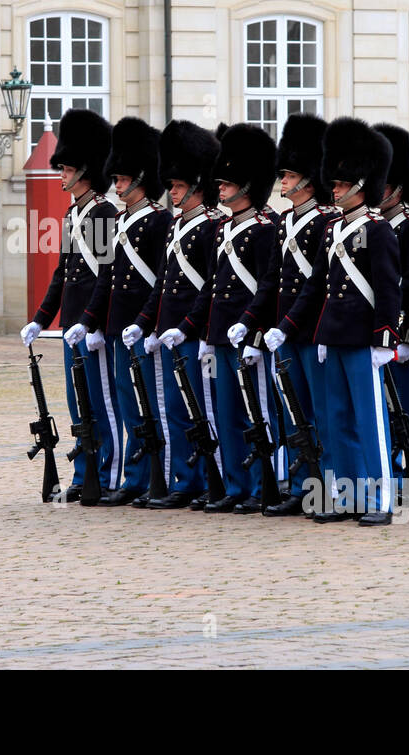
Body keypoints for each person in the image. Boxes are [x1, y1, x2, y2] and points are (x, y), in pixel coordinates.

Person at [270, 117, 401, 525]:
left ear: (361, 185)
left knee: (370, 420)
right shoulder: (332, 229)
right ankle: (346, 496)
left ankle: (382, 498)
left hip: (364, 338)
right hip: (334, 336)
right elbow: (319, 285)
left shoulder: (377, 229)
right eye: (336, 184)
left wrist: (385, 338)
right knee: (337, 420)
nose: (336, 189)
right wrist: (303, 329)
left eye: (343, 185)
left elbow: (388, 288)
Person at [165, 123, 276, 514]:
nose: (222, 186)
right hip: (217, 334)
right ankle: (235, 484)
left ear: (248, 185)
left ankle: (265, 484)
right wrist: (189, 328)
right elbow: (212, 286)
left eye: (230, 181)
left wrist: (249, 325)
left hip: (247, 335)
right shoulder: (224, 228)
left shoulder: (264, 229)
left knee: (256, 415)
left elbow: (267, 286)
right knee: (224, 414)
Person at [20, 108, 122, 503]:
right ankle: (85, 472)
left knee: (99, 401)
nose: (61, 174)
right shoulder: (73, 214)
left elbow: (104, 277)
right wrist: (41, 319)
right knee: (78, 404)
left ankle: (108, 472)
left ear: (85, 171)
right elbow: (63, 275)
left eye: (66, 168)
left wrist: (91, 322)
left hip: (90, 326)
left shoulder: (100, 214)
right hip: (72, 325)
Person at [245, 114, 340, 517]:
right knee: (291, 412)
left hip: (311, 329)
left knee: (320, 412)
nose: (281, 182)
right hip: (284, 331)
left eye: (288, 176)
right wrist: (254, 322)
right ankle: (302, 487)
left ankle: (327, 489)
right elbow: (271, 280)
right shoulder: (285, 222)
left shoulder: (326, 221)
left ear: (306, 180)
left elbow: (322, 283)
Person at [126, 120, 223, 509]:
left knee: (205, 410)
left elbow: (211, 287)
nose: (173, 193)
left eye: (180, 187)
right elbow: (163, 285)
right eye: (172, 186)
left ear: (198, 185)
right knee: (176, 411)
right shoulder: (177, 227)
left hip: (194, 334)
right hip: (170, 332)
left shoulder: (212, 227)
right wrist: (145, 324)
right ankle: (186, 478)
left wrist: (188, 328)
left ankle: (210, 480)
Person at [81, 117, 173, 506]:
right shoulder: (117, 222)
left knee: (152, 404)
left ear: (139, 180)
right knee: (124, 401)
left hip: (143, 326)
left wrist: (148, 325)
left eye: (122, 180)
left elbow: (163, 280)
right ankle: (133, 475)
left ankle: (159, 474)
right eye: (115, 180)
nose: (117, 187)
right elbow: (106, 277)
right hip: (120, 325)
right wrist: (91, 320)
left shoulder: (158, 220)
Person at [374, 122, 409, 496]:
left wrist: (403, 334)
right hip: (376, 327)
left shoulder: (408, 225)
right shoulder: (374, 226)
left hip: (401, 330)